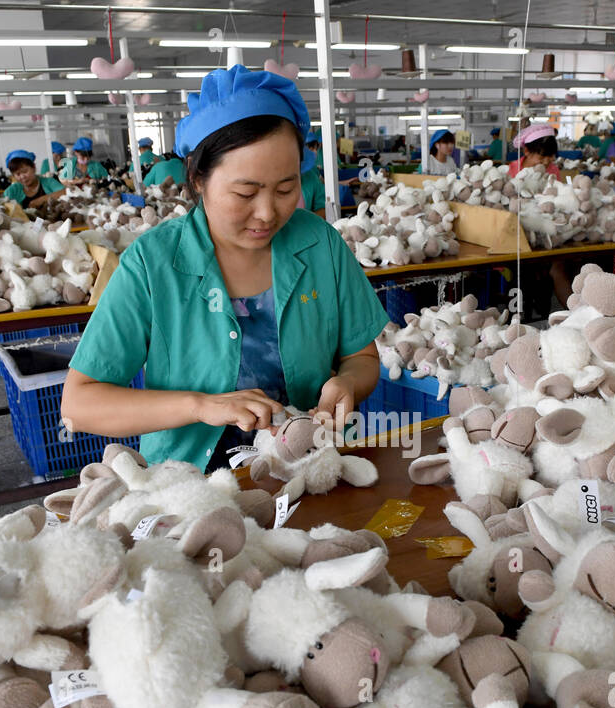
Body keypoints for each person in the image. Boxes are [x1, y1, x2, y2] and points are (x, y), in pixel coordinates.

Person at [61, 65, 388, 473]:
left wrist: (347, 383)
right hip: (189, 487)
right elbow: (79, 404)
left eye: (287, 189)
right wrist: (201, 405)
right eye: (245, 192)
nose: (268, 213)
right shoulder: (152, 264)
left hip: (311, 469)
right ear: (198, 179)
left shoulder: (320, 244)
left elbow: (361, 357)